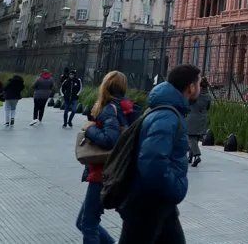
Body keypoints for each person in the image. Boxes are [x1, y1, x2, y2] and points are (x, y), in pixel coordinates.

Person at [118, 64, 200, 244]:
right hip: (149, 203)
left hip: (158, 202)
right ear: (191, 87)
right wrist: (174, 187)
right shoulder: (167, 116)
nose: (200, 88)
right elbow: (152, 162)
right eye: (199, 83)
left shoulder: (167, 111)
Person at [77, 70, 139, 244]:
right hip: (116, 171)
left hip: (102, 173)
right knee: (83, 222)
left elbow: (110, 140)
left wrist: (89, 129)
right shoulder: (127, 107)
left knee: (88, 224)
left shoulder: (109, 109)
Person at [185, 77, 211, 168]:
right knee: (195, 138)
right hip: (203, 118)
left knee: (191, 138)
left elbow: (186, 104)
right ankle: (190, 157)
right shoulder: (208, 96)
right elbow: (208, 107)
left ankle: (197, 156)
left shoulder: (194, 95)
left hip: (192, 117)